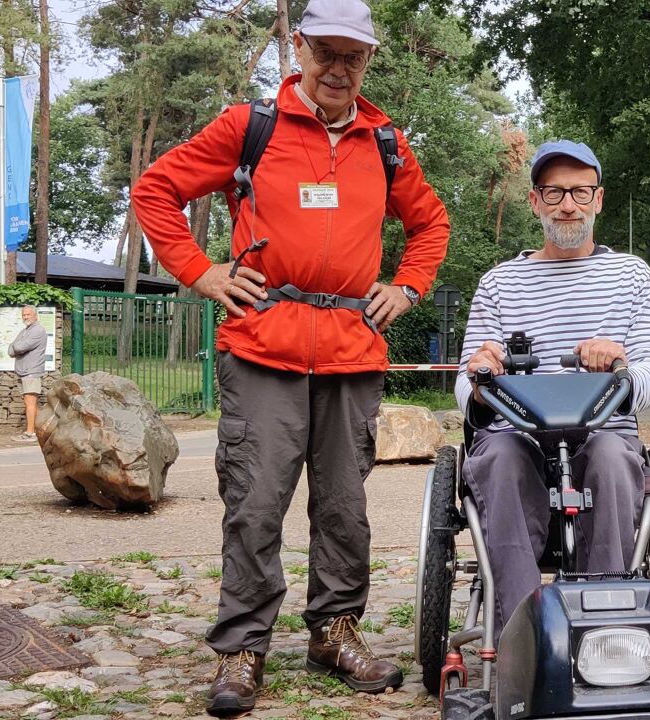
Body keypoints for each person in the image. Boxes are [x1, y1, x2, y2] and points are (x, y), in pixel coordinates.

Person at [131, 0, 450, 714]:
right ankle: (243, 648)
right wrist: (201, 271)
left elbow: (430, 222)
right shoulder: (251, 127)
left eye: (353, 56)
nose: (338, 68)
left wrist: (407, 286)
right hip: (261, 345)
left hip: (350, 350)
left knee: (344, 507)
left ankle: (335, 633)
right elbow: (155, 190)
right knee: (255, 502)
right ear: (298, 47)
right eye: (326, 52)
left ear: (368, 60)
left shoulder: (385, 142)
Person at [455, 140, 650, 631]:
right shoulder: (498, 283)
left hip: (604, 430)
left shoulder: (632, 275)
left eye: (580, 192)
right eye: (554, 193)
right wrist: (480, 378)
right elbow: (467, 388)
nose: (568, 205)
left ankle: (605, 624)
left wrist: (621, 366)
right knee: (500, 457)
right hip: (515, 434)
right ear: (535, 201)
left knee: (612, 457)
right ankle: (522, 634)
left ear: (599, 199)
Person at [7, 305, 46, 442]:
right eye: (24, 315)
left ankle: (30, 434)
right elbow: (11, 350)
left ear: (35, 315)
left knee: (30, 403)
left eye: (28, 314)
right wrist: (15, 346)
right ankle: (42, 431)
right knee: (30, 404)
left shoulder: (38, 330)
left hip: (31, 372)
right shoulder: (24, 331)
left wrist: (16, 346)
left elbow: (19, 347)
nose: (25, 317)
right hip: (22, 372)